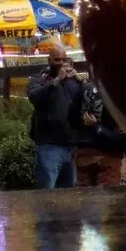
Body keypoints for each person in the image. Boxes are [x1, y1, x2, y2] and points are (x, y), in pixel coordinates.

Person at [28, 48, 85, 189]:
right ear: (49, 61)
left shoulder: (73, 81)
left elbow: (88, 99)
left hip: (71, 145)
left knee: (68, 192)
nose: (61, 63)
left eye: (64, 60)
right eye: (57, 59)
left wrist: (81, 81)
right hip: (50, 145)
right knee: (48, 190)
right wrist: (57, 80)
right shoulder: (39, 79)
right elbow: (35, 96)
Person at [74, 83, 126, 186]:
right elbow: (121, 134)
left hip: (85, 152)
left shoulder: (84, 88)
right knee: (106, 194)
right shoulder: (119, 92)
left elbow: (71, 118)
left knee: (84, 193)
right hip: (109, 153)